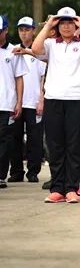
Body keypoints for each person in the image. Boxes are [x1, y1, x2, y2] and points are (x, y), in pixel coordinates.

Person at [32, 8, 80, 203]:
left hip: (77, 99)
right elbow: (35, 49)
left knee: (74, 146)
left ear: (75, 25)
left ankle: (71, 189)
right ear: (58, 26)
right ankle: (57, 187)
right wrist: (49, 24)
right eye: (63, 23)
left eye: (70, 22)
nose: (66, 26)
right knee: (55, 145)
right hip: (54, 98)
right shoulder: (51, 44)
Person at [7, 17, 45, 184]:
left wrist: (41, 99)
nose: (24, 33)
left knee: (34, 139)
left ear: (34, 31)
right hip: (17, 103)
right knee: (14, 138)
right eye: (21, 30)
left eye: (27, 29)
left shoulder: (40, 51)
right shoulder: (13, 51)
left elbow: (44, 76)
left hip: (34, 101)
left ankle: (33, 171)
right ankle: (16, 171)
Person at [0, 15, 28, 189]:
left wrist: (19, 102)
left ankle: (1, 175)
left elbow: (19, 78)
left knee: (4, 139)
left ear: (6, 30)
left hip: (6, 103)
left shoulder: (13, 51)